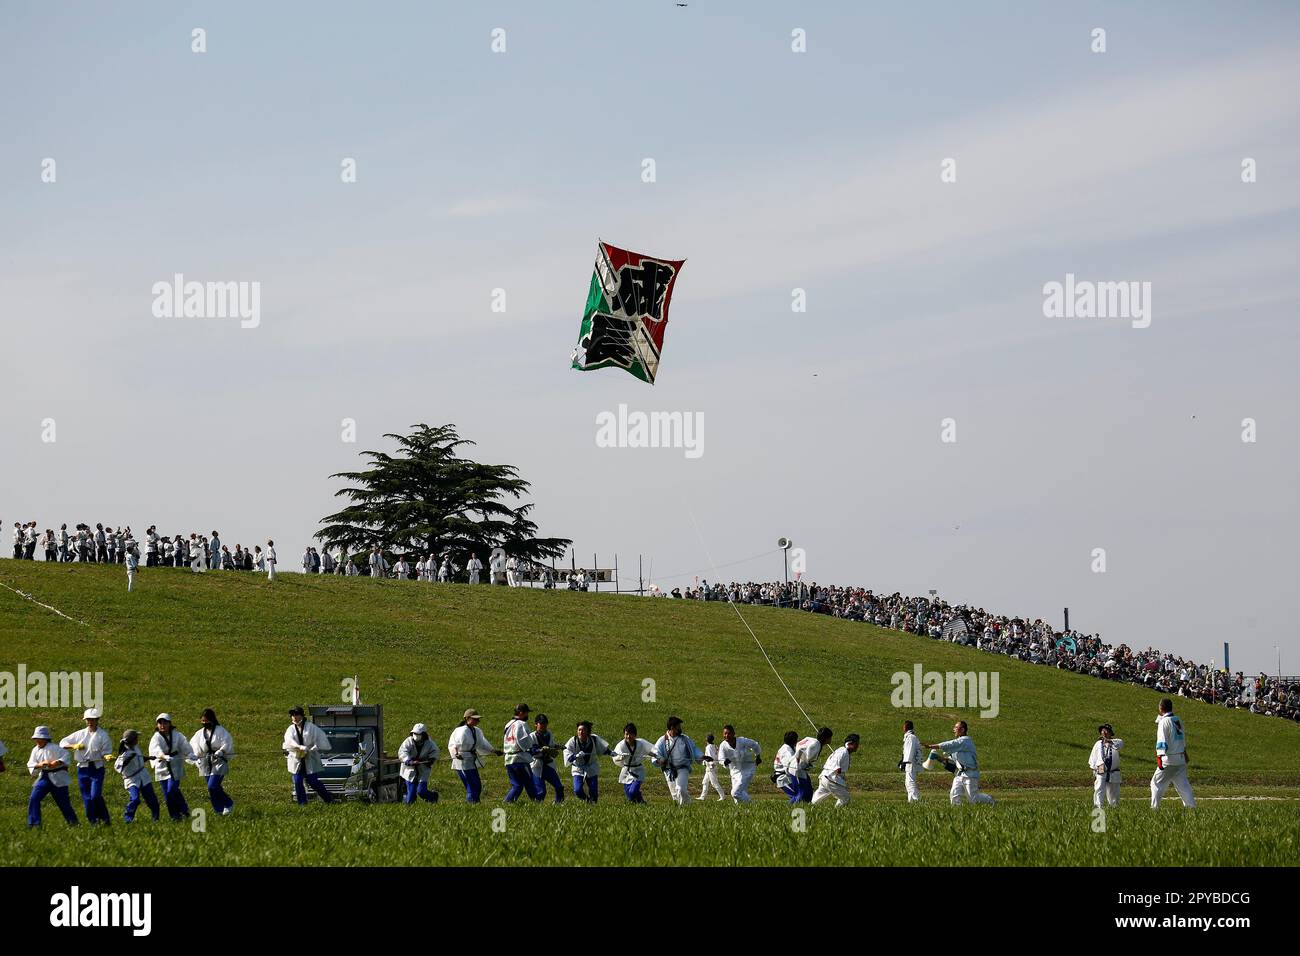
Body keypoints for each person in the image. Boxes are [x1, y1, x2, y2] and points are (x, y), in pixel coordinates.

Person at [59, 707, 113, 825]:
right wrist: (73, 746)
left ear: (97, 720)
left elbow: (106, 751)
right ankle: (93, 821)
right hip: (83, 768)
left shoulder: (103, 735)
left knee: (95, 796)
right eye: (88, 719)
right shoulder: (80, 734)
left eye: (92, 719)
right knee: (87, 798)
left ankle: (104, 817)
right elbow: (62, 742)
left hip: (97, 768)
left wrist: (107, 756)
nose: (90, 722)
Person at [926, 721, 995, 806]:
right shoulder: (958, 745)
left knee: (974, 800)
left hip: (970, 774)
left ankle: (990, 800)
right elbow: (951, 760)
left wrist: (932, 746)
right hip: (960, 774)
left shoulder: (965, 741)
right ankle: (957, 812)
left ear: (962, 730)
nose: (953, 729)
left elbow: (951, 744)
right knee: (954, 795)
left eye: (956, 727)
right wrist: (937, 757)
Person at [27, 726, 79, 827]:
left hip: (58, 777)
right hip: (44, 777)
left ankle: (73, 823)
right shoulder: (35, 750)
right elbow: (31, 764)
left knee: (63, 803)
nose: (38, 741)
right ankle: (34, 823)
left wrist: (57, 762)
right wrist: (40, 765)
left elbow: (66, 756)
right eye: (36, 738)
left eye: (40, 738)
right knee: (34, 798)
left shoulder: (54, 748)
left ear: (46, 738)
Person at [284, 706, 334, 805]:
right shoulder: (290, 729)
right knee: (298, 781)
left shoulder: (311, 727)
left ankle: (328, 799)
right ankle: (302, 803)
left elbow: (321, 739)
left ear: (302, 715)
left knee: (313, 782)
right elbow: (289, 741)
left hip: (309, 758)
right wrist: (299, 746)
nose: (294, 717)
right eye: (293, 715)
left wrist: (314, 748)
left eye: (296, 714)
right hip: (297, 759)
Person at [1151, 698, 1196, 808]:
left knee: (1156, 783)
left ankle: (1154, 808)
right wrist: (1185, 752)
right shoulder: (1177, 720)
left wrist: (1159, 757)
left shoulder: (1163, 722)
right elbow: (1182, 739)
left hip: (1169, 758)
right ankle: (1191, 807)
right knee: (1183, 785)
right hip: (1180, 757)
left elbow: (1162, 740)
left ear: (1161, 708)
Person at [149, 713, 195, 821]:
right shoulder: (156, 737)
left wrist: (190, 754)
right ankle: (176, 815)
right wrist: (163, 756)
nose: (162, 725)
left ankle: (183, 810)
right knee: (167, 793)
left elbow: (184, 745)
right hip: (162, 766)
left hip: (175, 765)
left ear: (169, 724)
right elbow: (155, 749)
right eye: (160, 723)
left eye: (165, 723)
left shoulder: (177, 735)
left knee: (171, 790)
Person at [189, 708, 235, 816]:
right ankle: (218, 811)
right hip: (205, 763)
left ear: (212, 720)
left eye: (206, 721)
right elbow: (194, 746)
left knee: (212, 786)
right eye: (203, 721)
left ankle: (228, 803)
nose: (204, 723)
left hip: (218, 761)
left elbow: (227, 743)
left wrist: (221, 751)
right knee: (212, 790)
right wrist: (195, 755)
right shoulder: (199, 734)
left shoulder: (220, 731)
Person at [448, 709, 498, 803]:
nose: (477, 721)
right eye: (475, 719)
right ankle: (471, 804)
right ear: (467, 718)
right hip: (462, 761)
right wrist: (456, 754)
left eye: (478, 719)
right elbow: (454, 745)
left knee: (477, 785)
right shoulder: (460, 731)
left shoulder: (477, 731)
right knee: (471, 785)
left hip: (471, 760)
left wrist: (494, 751)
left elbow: (483, 743)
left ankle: (475, 803)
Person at [652, 716, 703, 805]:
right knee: (675, 796)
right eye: (678, 726)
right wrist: (659, 761)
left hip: (683, 768)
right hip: (669, 770)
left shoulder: (685, 739)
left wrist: (702, 756)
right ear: (672, 727)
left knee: (681, 789)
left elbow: (694, 749)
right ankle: (686, 808)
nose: (680, 728)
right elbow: (655, 753)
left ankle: (687, 806)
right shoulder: (662, 740)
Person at [114, 730, 160, 823]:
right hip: (132, 779)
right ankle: (128, 819)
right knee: (135, 799)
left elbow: (139, 759)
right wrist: (127, 760)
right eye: (136, 738)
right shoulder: (124, 754)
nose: (137, 740)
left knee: (152, 799)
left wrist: (148, 758)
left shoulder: (135, 747)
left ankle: (156, 818)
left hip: (143, 776)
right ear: (132, 740)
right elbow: (117, 767)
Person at [503, 704, 543, 802]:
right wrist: (531, 749)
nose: (527, 715)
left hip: (509, 759)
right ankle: (536, 803)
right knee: (529, 784)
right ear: (521, 713)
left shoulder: (508, 724)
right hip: (520, 758)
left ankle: (507, 803)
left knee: (517, 785)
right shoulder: (521, 724)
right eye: (526, 713)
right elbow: (523, 740)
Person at [563, 720, 612, 802]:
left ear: (588, 731)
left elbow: (602, 749)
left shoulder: (594, 739)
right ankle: (587, 800)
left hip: (591, 767)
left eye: (583, 730)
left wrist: (611, 753)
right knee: (577, 790)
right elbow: (567, 754)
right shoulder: (573, 741)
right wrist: (575, 756)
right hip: (578, 768)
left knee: (594, 791)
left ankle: (593, 805)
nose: (581, 732)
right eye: (579, 730)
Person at [611, 722, 657, 803]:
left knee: (632, 791)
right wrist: (621, 757)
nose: (628, 736)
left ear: (635, 735)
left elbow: (648, 751)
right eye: (626, 734)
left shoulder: (640, 744)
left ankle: (639, 801)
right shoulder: (621, 745)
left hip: (638, 771)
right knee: (629, 795)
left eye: (630, 734)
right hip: (626, 771)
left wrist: (656, 756)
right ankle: (641, 803)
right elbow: (615, 757)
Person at [717, 725, 762, 804]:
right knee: (737, 798)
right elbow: (721, 758)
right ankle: (743, 811)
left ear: (734, 734)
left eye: (729, 733)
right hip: (734, 772)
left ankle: (753, 804)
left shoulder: (742, 741)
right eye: (725, 733)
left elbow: (755, 745)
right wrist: (724, 762)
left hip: (747, 770)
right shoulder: (723, 745)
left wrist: (758, 756)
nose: (727, 735)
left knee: (735, 793)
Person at [812, 733, 859, 806]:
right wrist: (837, 768)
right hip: (831, 778)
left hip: (824, 777)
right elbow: (837, 760)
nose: (857, 746)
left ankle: (811, 808)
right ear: (850, 743)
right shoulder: (843, 751)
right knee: (845, 798)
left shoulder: (842, 751)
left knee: (817, 799)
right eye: (856, 744)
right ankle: (837, 811)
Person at [527, 714, 566, 803]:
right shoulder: (532, 736)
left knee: (559, 787)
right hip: (536, 766)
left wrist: (557, 747)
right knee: (541, 792)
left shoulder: (549, 734)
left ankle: (558, 804)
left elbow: (551, 745)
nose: (543, 726)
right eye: (541, 724)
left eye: (545, 723)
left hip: (548, 764)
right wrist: (541, 750)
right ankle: (537, 807)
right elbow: (531, 751)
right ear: (536, 724)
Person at [398, 723, 440, 804]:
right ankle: (409, 807)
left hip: (423, 768)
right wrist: (409, 761)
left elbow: (435, 751)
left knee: (421, 791)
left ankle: (433, 797)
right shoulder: (408, 741)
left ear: (424, 734)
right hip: (409, 769)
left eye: (419, 734)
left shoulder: (429, 743)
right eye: (415, 733)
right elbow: (402, 752)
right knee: (411, 795)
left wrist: (431, 760)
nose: (416, 735)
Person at [1088, 723, 1124, 808]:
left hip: (1113, 769)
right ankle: (1099, 806)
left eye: (1106, 731)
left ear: (1110, 733)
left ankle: (1114, 806)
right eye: (1102, 731)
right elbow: (1093, 757)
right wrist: (1094, 770)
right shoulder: (1098, 744)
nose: (1104, 732)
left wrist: (1107, 740)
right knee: (1099, 787)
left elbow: (1120, 745)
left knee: (1114, 790)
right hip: (1101, 767)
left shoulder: (1116, 742)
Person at [794, 727, 834, 802]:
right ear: (826, 738)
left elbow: (799, 744)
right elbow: (800, 750)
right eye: (830, 738)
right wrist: (799, 761)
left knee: (809, 791)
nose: (831, 739)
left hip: (801, 768)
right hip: (797, 768)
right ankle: (792, 805)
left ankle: (807, 805)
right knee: (803, 793)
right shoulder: (816, 744)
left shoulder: (811, 739)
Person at [773, 730, 801, 803]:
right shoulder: (787, 751)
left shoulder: (790, 748)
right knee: (797, 797)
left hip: (787, 777)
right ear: (794, 740)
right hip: (784, 778)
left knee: (799, 796)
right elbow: (788, 767)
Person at [901, 720, 924, 802]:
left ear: (906, 727)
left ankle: (916, 800)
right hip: (910, 763)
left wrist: (905, 761)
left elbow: (910, 750)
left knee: (910, 783)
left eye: (904, 726)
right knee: (908, 783)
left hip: (911, 764)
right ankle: (911, 800)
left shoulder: (910, 737)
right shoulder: (910, 737)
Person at [699, 733, 727, 801]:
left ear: (707, 739)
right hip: (711, 767)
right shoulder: (715, 746)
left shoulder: (708, 747)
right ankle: (702, 797)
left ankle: (722, 796)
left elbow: (710, 756)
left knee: (714, 783)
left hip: (711, 767)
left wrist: (711, 764)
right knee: (705, 782)